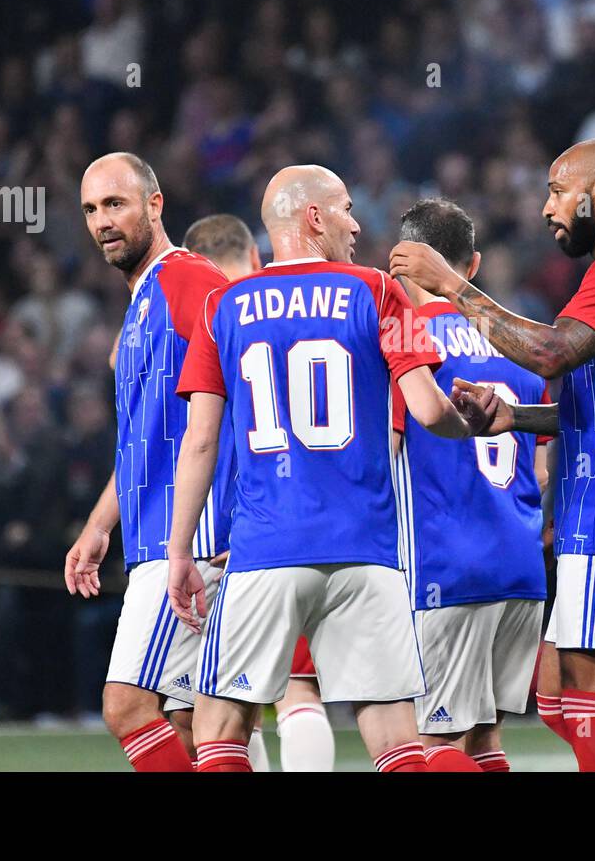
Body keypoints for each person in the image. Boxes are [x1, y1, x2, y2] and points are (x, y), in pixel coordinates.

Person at [165, 164, 497, 773]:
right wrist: (472, 423)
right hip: (367, 552)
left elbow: (201, 441)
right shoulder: (375, 290)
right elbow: (427, 407)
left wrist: (180, 550)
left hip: (267, 548)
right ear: (313, 217)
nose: (355, 220)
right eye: (345, 207)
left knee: (219, 728)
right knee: (398, 742)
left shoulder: (223, 305)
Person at [391, 137, 595, 772]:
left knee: (591, 707)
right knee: (559, 700)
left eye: (558, 191)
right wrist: (516, 416)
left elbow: (550, 353)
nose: (545, 208)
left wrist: (452, 287)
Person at [64, 152, 229, 771]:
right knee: (191, 726)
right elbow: (146, 441)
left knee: (127, 706)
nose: (102, 221)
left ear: (154, 206)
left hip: (187, 538)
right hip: (163, 533)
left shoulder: (185, 277)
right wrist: (100, 525)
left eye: (115, 204)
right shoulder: (142, 301)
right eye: (90, 209)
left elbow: (237, 377)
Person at [393, 198, 550, 772]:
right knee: (486, 744)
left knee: (434, 749)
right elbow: (542, 467)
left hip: (445, 567)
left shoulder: (403, 343)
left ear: (401, 266)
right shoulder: (521, 344)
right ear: (475, 264)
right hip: (520, 564)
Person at [181, 212, 335, 772]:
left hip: (199, 534)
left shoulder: (196, 319)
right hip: (291, 522)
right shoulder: (290, 311)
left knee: (219, 705)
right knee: (295, 688)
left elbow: (191, 438)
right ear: (253, 256)